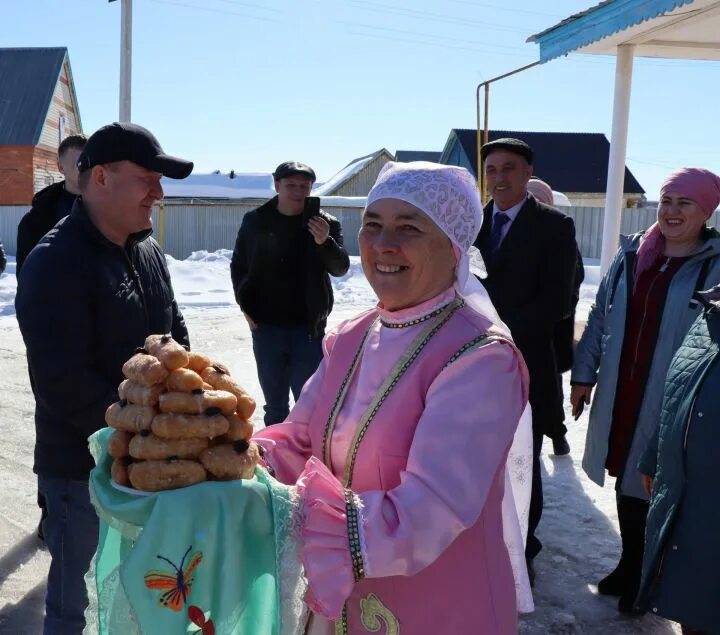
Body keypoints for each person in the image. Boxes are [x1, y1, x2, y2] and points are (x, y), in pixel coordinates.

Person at [254, 161, 533, 634]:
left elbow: (431, 509)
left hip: (437, 604)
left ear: (453, 246)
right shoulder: (352, 335)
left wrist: (313, 527)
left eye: (409, 227)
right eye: (373, 225)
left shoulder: (480, 357)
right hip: (339, 599)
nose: (384, 244)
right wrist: (234, 463)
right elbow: (299, 440)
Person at [15, 122, 192, 634]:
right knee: (78, 603)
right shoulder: (55, 262)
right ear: (100, 180)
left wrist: (181, 417)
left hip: (149, 461)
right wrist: (150, 433)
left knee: (142, 595)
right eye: (148, 179)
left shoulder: (147, 249)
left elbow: (174, 336)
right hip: (81, 470)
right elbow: (62, 383)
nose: (159, 193)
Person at [571, 167, 720, 614]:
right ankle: (630, 562)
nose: (672, 212)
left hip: (676, 395)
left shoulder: (714, 263)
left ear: (706, 210)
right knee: (626, 474)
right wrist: (584, 374)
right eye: (667, 201)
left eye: (685, 203)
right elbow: (602, 313)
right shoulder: (634, 253)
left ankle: (649, 577)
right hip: (624, 386)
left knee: (663, 483)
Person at [474, 139, 579, 584]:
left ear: (528, 170)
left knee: (521, 457)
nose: (500, 177)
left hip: (524, 360)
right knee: (473, 454)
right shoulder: (468, 222)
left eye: (509, 168)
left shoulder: (555, 226)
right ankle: (476, 540)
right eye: (492, 169)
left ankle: (522, 546)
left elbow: (559, 298)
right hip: (465, 363)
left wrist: (501, 334)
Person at [230, 161, 350, 426]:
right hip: (266, 327)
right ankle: (275, 461)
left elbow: (340, 268)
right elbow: (239, 266)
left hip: (307, 330)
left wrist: (324, 242)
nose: (298, 191)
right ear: (277, 185)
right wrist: (245, 307)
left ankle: (306, 460)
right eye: (291, 185)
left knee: (309, 403)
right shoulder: (256, 221)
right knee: (275, 406)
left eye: (304, 186)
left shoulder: (325, 224)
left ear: (312, 188)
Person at [635, 287, 720, 635]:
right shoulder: (709, 313)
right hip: (687, 507)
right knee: (691, 611)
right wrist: (655, 453)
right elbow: (681, 388)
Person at [16, 133, 87, 540]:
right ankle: (51, 510)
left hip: (97, 338)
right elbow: (29, 286)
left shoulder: (104, 210)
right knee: (56, 427)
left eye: (87, 161)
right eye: (74, 162)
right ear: (60, 167)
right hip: (52, 343)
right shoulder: (39, 218)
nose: (81, 168)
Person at [526, 177, 585, 457]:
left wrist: (554, 306)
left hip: (552, 326)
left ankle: (557, 433)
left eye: (538, 200)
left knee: (548, 386)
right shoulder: (510, 232)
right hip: (517, 327)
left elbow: (576, 277)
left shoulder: (559, 231)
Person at [16, 133, 87, 276]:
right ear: (61, 168)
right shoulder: (36, 220)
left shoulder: (111, 209)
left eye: (90, 162)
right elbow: (27, 280)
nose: (86, 169)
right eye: (79, 164)